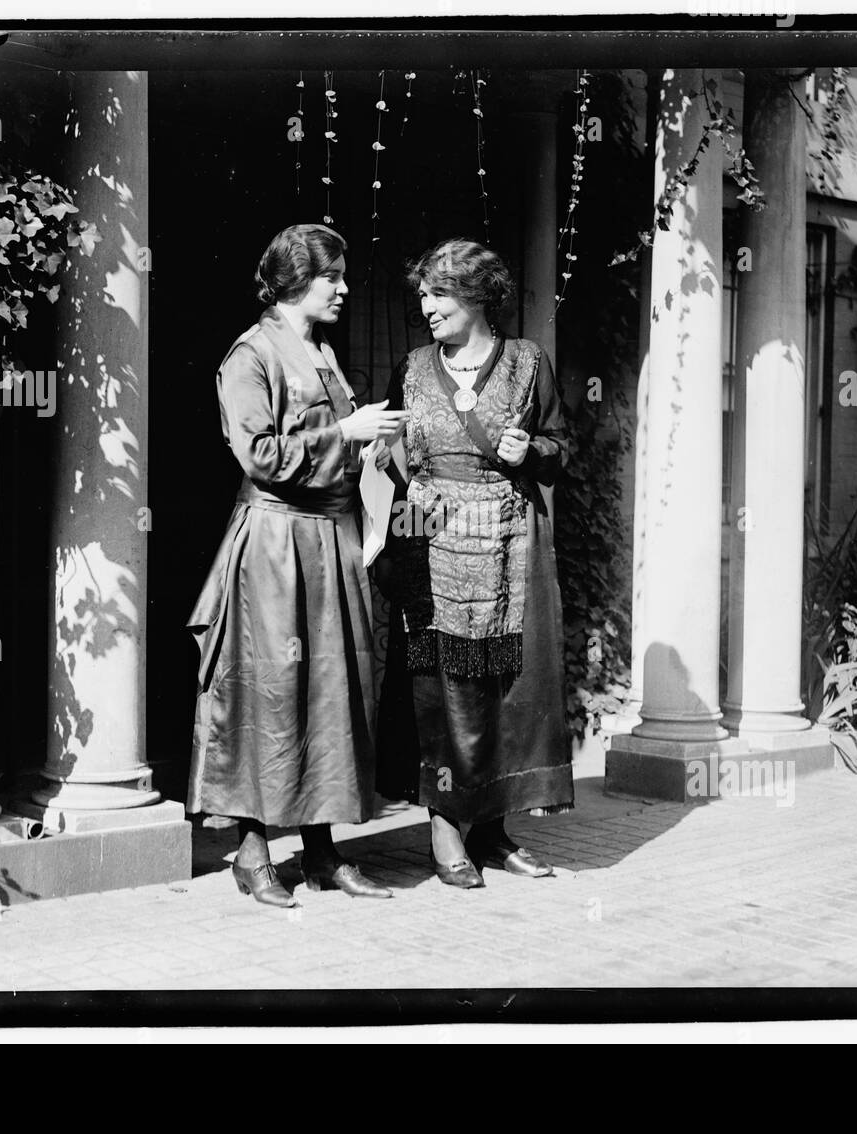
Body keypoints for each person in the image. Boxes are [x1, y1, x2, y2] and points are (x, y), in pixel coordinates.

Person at [187, 223, 408, 907]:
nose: (343, 288)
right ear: (293, 283)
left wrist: (368, 445)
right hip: (276, 545)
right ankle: (252, 853)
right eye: (331, 278)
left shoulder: (322, 353)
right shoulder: (249, 356)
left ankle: (319, 852)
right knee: (268, 692)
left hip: (328, 541)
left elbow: (329, 448)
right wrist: (344, 432)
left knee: (331, 691)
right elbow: (258, 455)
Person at [374, 237, 573, 889]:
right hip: (431, 548)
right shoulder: (410, 368)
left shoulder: (527, 362)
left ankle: (492, 829)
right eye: (424, 294)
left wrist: (530, 449)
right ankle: (443, 824)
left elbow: (560, 446)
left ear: (478, 296)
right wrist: (394, 468)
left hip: (510, 545)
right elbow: (387, 450)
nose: (427, 306)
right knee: (440, 688)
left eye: (440, 293)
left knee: (502, 689)